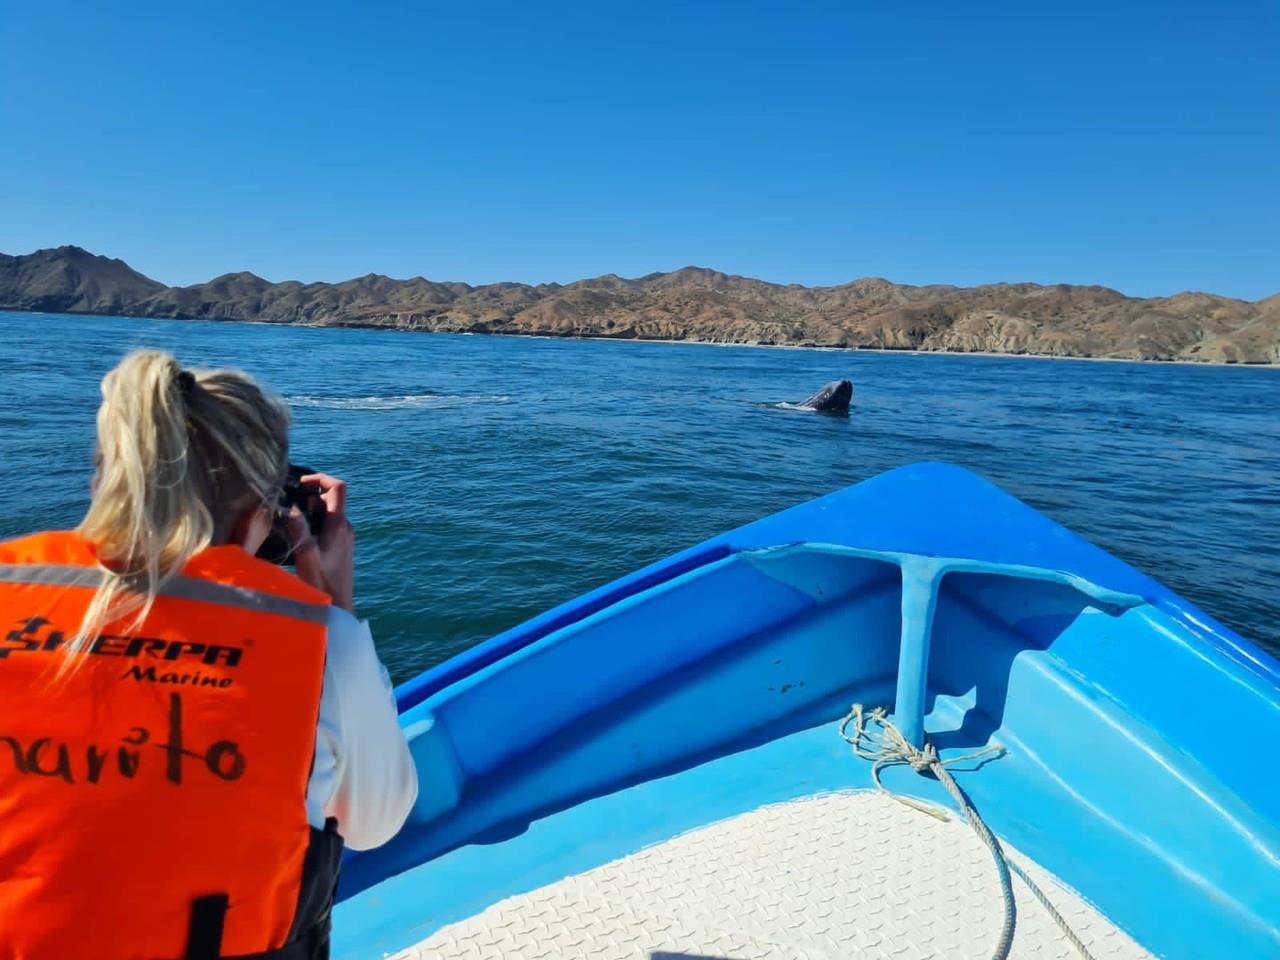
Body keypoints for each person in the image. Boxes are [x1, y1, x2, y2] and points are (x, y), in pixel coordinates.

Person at [0, 350, 417, 960]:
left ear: (104, 480)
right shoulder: (323, 645)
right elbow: (375, 824)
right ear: (262, 515)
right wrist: (332, 611)